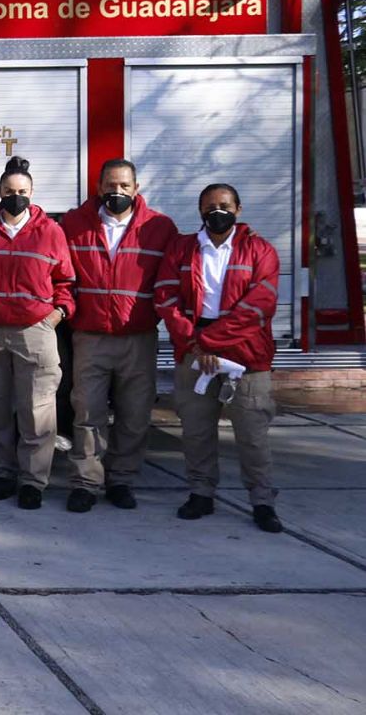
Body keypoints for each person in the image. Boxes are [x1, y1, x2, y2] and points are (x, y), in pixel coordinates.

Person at [154, 184, 283, 533]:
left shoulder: (260, 251)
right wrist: (196, 345)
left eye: (224, 205)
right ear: (200, 211)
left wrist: (209, 342)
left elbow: (259, 307)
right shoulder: (182, 249)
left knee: (252, 435)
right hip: (195, 354)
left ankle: (262, 502)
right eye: (209, 206)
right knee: (196, 431)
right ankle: (200, 493)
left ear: (238, 209)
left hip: (247, 356)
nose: (217, 212)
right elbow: (165, 297)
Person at [60, 158, 178, 513]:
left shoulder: (160, 227)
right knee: (87, 412)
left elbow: (170, 281)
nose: (117, 192)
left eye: (124, 186)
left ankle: (122, 480)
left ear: (136, 188)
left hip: (137, 336)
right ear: (98, 188)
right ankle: (86, 483)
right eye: (110, 185)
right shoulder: (74, 224)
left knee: (135, 414)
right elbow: (61, 275)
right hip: (90, 336)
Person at [0, 156, 76, 510]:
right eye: (10, 191)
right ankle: (3, 474)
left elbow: (65, 280)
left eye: (23, 192)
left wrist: (57, 314)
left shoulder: (51, 232)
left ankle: (33, 481)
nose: (17, 197)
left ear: (32, 192)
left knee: (37, 409)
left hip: (35, 329)